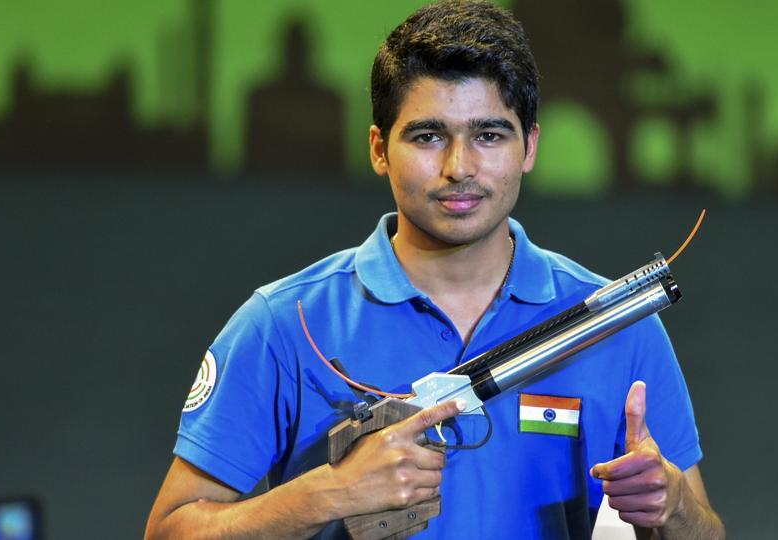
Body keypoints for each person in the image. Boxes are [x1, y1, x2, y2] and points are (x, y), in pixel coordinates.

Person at [145, 1, 725, 538]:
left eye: (489, 135)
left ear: (529, 147)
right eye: (428, 136)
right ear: (379, 149)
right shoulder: (284, 322)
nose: (459, 167)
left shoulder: (619, 323)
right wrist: (331, 492)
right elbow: (170, 529)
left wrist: (673, 507)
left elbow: (703, 528)